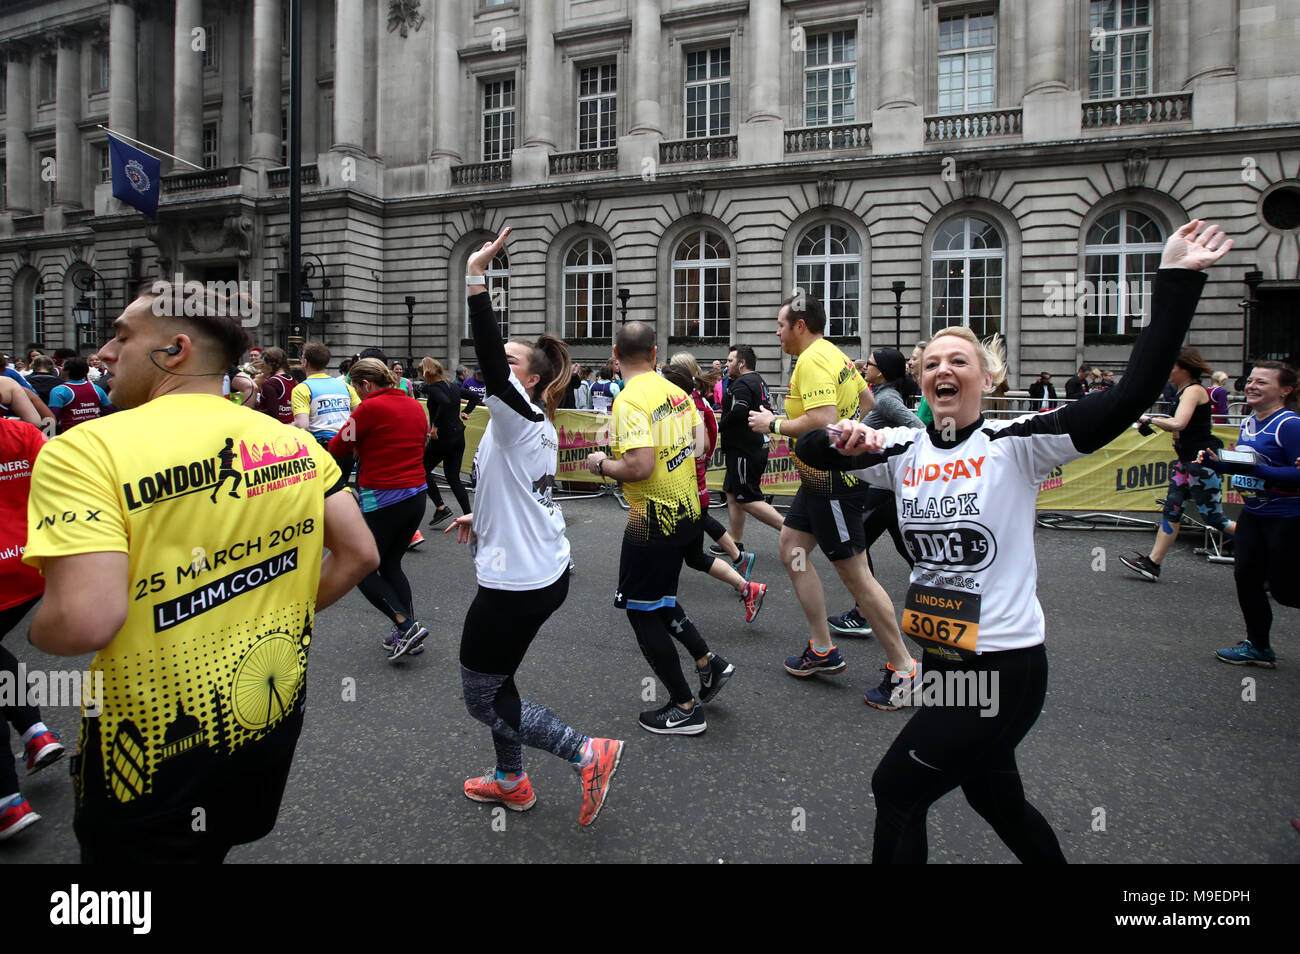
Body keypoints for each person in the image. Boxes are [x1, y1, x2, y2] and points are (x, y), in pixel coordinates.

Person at [797, 218, 1232, 863]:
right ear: (921, 382)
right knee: (992, 798)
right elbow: (808, 447)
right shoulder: (904, 446)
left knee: (896, 787)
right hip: (945, 659)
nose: (942, 369)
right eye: (931, 362)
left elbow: (1132, 393)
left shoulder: (1017, 443)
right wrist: (839, 441)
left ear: (986, 379)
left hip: (1003, 668)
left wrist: (1174, 279)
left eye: (959, 361)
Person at [24, 281, 377, 863]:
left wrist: (34, 629)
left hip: (149, 747)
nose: (105, 353)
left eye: (122, 336)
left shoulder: (85, 450)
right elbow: (360, 553)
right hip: (266, 719)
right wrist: (272, 605)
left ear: (176, 349)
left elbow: (84, 621)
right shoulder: (290, 443)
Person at [448, 226, 623, 826]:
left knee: (481, 694)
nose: (495, 365)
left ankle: (585, 752)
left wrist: (476, 279)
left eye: (512, 362)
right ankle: (511, 779)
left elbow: (492, 367)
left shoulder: (518, 413)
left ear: (527, 380)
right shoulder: (521, 425)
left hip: (519, 584)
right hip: (536, 570)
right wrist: (483, 513)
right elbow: (524, 491)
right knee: (501, 680)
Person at [747, 295, 918, 710]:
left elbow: (823, 419)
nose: (777, 331)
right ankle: (822, 648)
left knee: (856, 574)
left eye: (781, 324)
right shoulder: (836, 355)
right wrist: (854, 436)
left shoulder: (812, 360)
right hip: (818, 479)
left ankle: (905, 668)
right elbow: (867, 404)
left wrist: (773, 423)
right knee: (791, 549)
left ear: (800, 325)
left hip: (835, 483)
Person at [585, 321, 735, 735]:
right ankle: (709, 663)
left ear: (615, 355)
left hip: (652, 519)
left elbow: (638, 466)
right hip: (689, 510)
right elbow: (703, 447)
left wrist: (600, 464)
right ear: (655, 354)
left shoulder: (629, 400)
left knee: (640, 611)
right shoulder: (676, 391)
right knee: (661, 600)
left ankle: (684, 706)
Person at [1198, 361, 1300, 667]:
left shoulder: (1289, 425)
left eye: (1262, 382)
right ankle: (1258, 647)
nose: (1252, 385)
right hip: (1254, 514)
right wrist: (1217, 464)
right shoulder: (1249, 422)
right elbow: (1245, 466)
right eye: (1251, 380)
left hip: (1288, 517)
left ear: (1285, 391)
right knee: (1247, 579)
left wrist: (1260, 470)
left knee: (1285, 590)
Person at [329, 358, 431, 660]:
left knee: (360, 567)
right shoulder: (415, 405)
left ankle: (407, 626)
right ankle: (408, 631)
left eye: (357, 389)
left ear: (366, 384)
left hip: (384, 496)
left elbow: (337, 447)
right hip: (417, 495)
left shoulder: (369, 408)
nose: (357, 396)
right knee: (391, 564)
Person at [828, 348, 923, 638]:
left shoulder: (886, 399)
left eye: (868, 364)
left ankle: (862, 613)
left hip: (880, 491)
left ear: (880, 371)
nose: (864, 367)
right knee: (908, 548)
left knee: (857, 548)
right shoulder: (880, 394)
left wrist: (889, 450)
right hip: (886, 490)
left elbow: (918, 430)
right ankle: (945, 588)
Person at [662, 362, 767, 623]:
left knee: (672, 554)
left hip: (685, 494)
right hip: (693, 492)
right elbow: (703, 447)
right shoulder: (689, 407)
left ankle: (665, 609)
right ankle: (746, 583)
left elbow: (700, 448)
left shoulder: (682, 410)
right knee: (693, 556)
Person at [0, 418, 65, 841]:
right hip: (27, 564)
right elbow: (57, 482)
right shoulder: (19, 433)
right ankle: (35, 731)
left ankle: (6, 800)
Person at [1120, 346, 1235, 582]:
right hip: (1186, 462)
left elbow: (1179, 423)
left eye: (1172, 366)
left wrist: (1151, 418)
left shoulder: (1193, 390)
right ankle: (1152, 563)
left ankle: (1270, 552)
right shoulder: (1182, 391)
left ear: (1185, 368)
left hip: (1202, 460)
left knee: (1214, 519)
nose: (1167, 371)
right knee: (1172, 510)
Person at [716, 344, 785, 554]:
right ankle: (735, 543)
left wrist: (718, 426)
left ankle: (792, 530)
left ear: (741, 363)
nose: (727, 365)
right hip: (748, 446)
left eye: (730, 361)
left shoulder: (743, 383)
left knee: (747, 498)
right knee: (732, 493)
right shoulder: (758, 380)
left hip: (744, 449)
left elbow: (740, 410)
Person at [421, 356, 480, 526]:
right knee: (453, 477)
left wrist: (435, 426)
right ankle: (469, 514)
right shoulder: (453, 386)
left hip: (443, 437)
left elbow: (445, 403)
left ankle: (441, 507)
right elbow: (474, 398)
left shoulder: (434, 388)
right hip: (458, 436)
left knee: (422, 469)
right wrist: (466, 411)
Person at [292, 342, 360, 449]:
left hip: (321, 447)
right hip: (347, 445)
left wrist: (282, 427)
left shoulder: (301, 389)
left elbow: (302, 425)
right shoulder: (345, 386)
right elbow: (359, 415)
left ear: (305, 362)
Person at [46, 356, 113, 433]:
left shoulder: (59, 391)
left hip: (70, 435)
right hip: (93, 433)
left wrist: (46, 437)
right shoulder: (96, 389)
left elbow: (52, 417)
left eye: (63, 367)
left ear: (66, 371)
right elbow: (109, 410)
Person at [252, 346, 296, 424]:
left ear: (270, 363)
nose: (263, 367)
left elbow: (272, 414)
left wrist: (253, 410)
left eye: (264, 363)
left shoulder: (270, 384)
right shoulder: (290, 379)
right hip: (291, 426)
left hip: (275, 429)